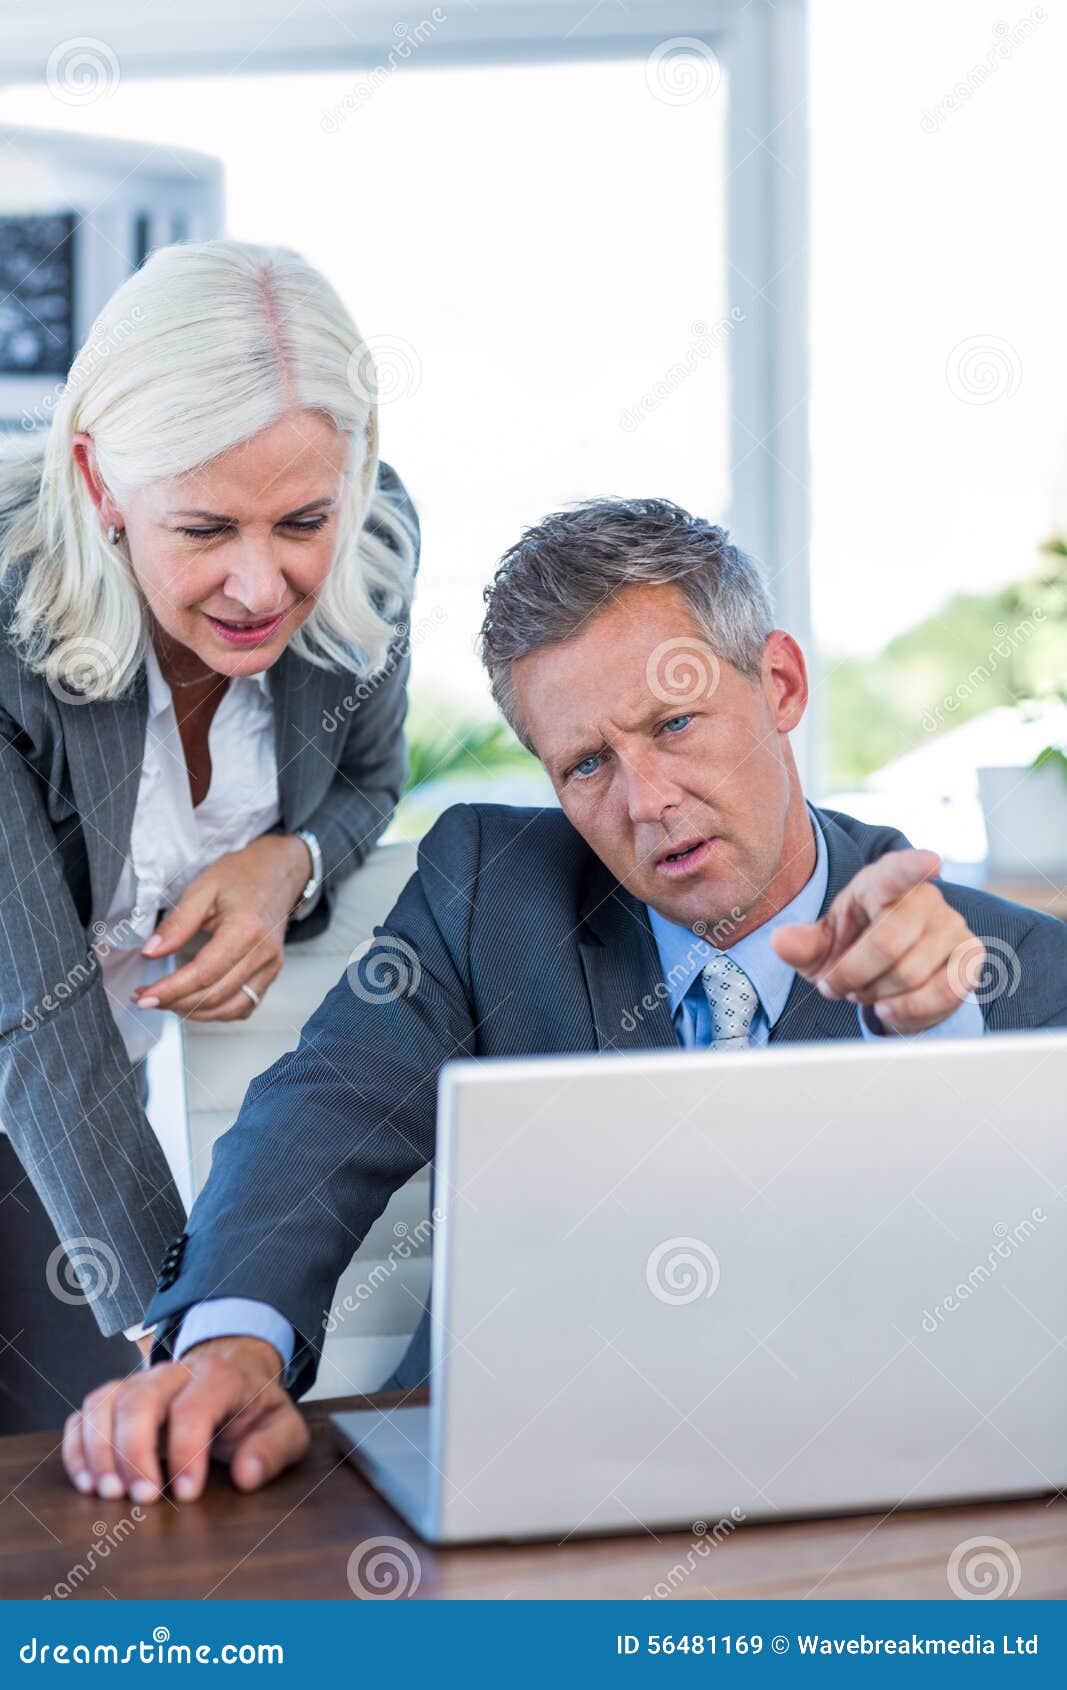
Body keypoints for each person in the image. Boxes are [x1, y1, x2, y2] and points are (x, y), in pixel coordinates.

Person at [61, 498, 1066, 1504]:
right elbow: (316, 1112)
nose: (646, 800)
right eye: (586, 764)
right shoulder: (488, 892)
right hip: (514, 1500)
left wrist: (940, 1037)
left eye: (674, 724)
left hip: (880, 1508)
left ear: (780, 685)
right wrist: (231, 1347)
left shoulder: (1023, 971)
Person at [0, 238, 419, 1432]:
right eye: (203, 529)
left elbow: (371, 780)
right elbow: (34, 1013)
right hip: (38, 1056)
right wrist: (186, 1332)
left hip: (115, 1081)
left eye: (300, 519)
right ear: (96, 482)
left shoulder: (376, 541)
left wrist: (284, 861)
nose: (258, 584)